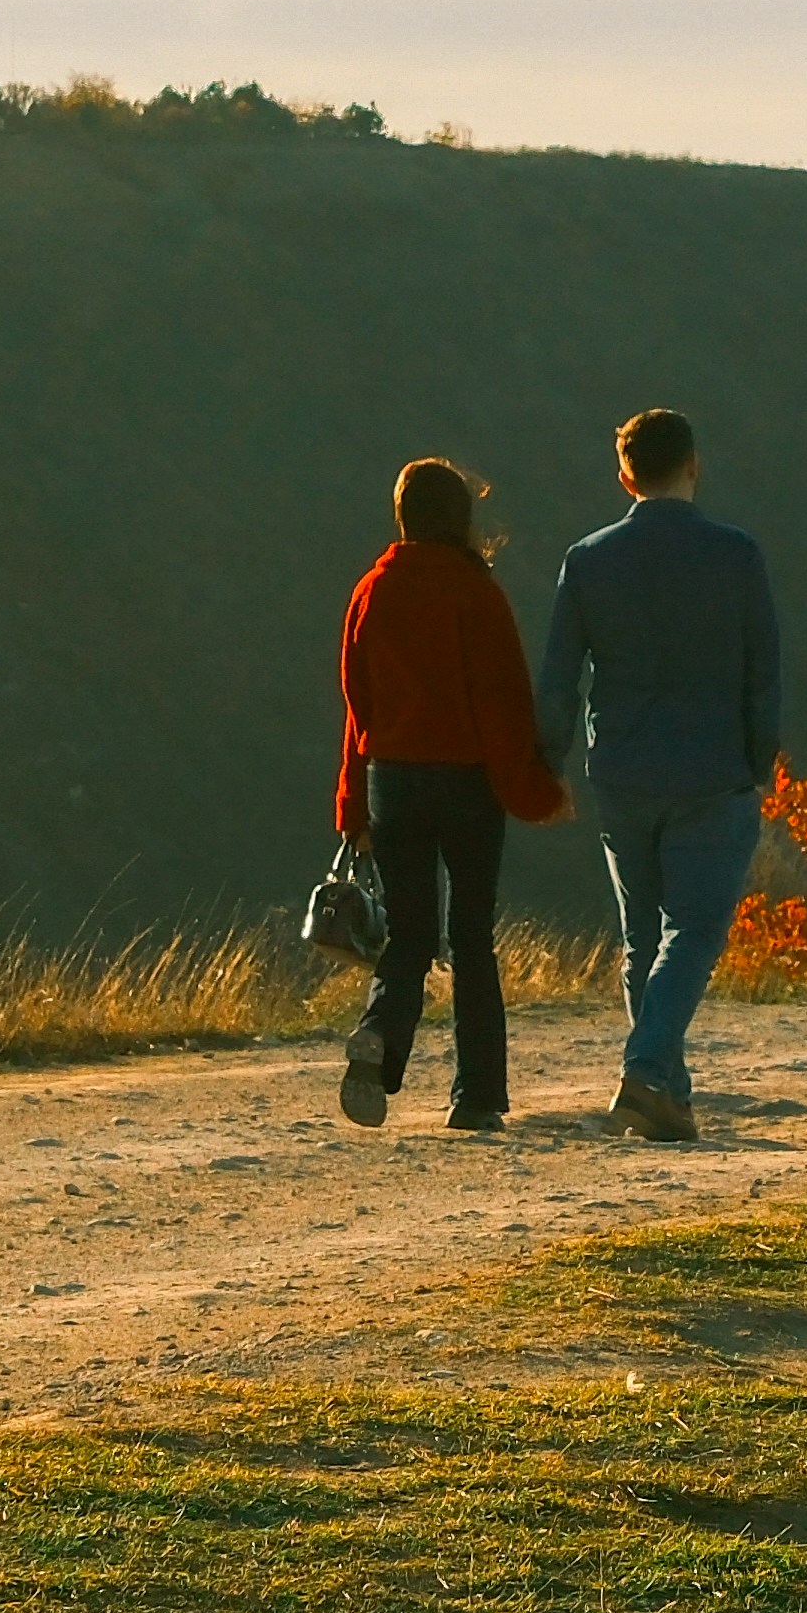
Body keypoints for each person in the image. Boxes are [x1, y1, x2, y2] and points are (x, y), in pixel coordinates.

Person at [546, 406, 782, 1144]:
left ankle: (666, 1096)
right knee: (696, 929)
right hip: (713, 772)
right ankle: (647, 1068)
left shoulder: (587, 559)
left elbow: (559, 678)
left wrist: (548, 767)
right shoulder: (736, 555)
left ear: (624, 475)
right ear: (694, 465)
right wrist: (759, 758)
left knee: (641, 938)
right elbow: (762, 670)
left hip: (621, 770)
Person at [330, 456, 567, 1131]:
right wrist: (534, 789)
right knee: (470, 938)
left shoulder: (372, 589)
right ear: (461, 516)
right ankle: (477, 1096)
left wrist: (353, 806)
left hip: (394, 780)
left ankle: (379, 1039)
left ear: (402, 515)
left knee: (407, 934)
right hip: (465, 782)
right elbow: (503, 705)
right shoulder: (476, 593)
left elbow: (359, 710)